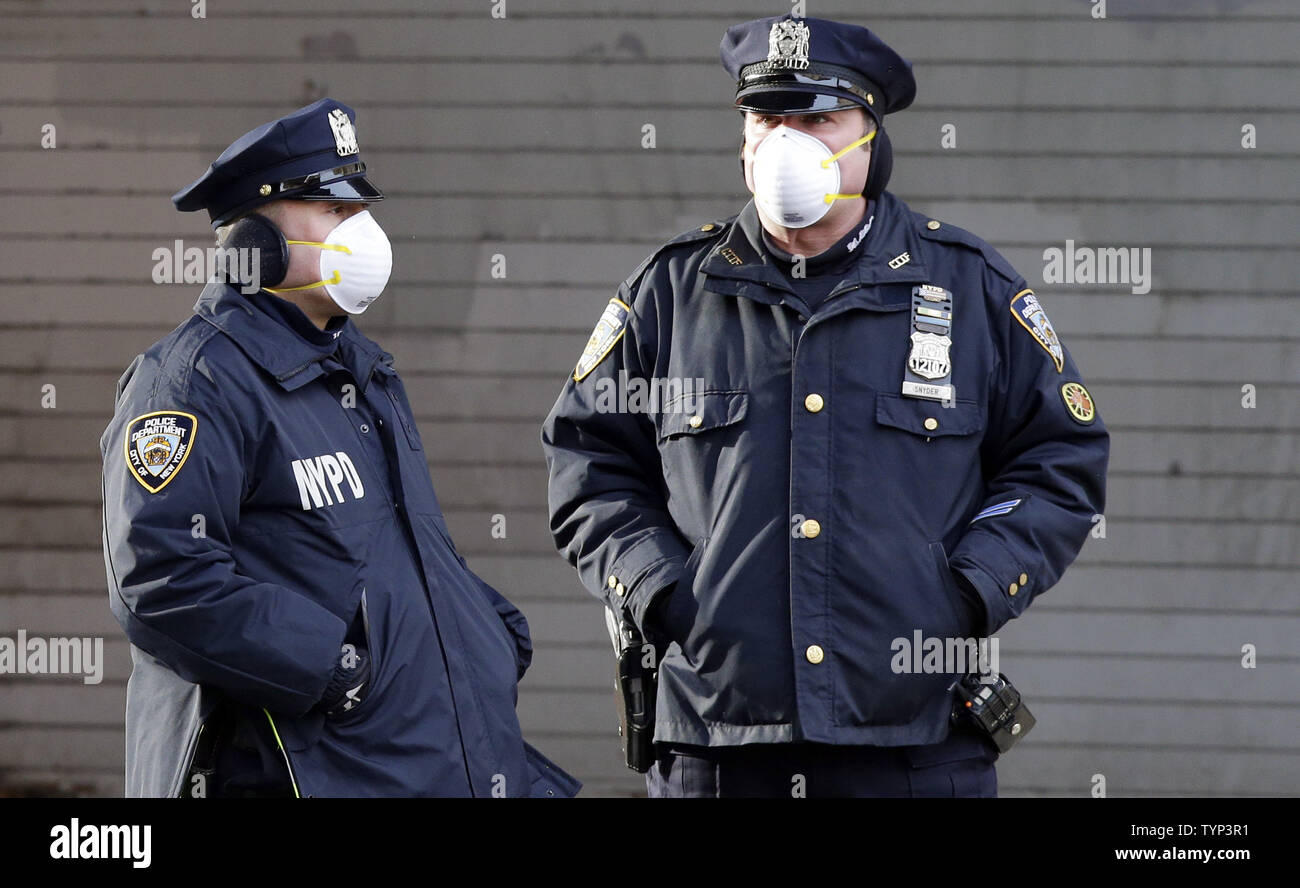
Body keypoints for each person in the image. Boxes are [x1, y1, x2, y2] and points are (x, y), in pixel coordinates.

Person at [542, 16, 1108, 797]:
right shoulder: (669, 294)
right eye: (768, 119)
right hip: (719, 746)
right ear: (742, 142)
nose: (788, 141)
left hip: (914, 741)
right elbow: (588, 462)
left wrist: (968, 591)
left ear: (868, 140)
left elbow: (1061, 461)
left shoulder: (971, 287)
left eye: (817, 119)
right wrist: (663, 593)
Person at [101, 98, 578, 798]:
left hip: (413, 765)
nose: (362, 231)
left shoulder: (362, 371)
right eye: (332, 211)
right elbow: (160, 578)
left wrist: (483, 632)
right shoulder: (193, 382)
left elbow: (383, 556)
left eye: (360, 209)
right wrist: (338, 668)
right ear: (252, 245)